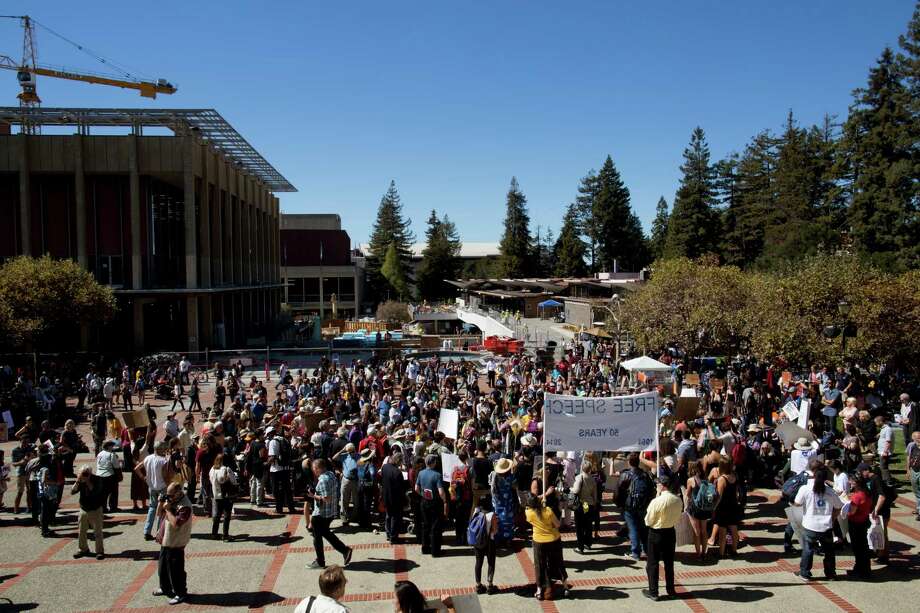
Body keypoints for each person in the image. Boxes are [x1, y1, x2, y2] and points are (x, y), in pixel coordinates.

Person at [793, 465, 842, 581]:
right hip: (826, 526)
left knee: (808, 549)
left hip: (810, 525)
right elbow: (839, 507)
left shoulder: (805, 489)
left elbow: (797, 503)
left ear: (813, 476)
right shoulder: (830, 492)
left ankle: (805, 573)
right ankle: (830, 574)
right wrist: (832, 518)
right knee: (829, 551)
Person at [306, 458, 353, 569]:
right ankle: (345, 550)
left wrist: (313, 496)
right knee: (326, 533)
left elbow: (326, 498)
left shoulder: (323, 480)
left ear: (318, 469)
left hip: (321, 514)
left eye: (314, 468)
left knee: (317, 538)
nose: (313, 470)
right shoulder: (331, 475)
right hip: (330, 512)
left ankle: (320, 561)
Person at [643, 475, 683, 601]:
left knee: (653, 563)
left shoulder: (657, 501)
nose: (656, 486)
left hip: (656, 533)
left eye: (657, 484)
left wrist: (656, 497)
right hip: (670, 532)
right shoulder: (678, 500)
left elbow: (648, 521)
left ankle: (653, 591)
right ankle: (671, 590)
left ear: (662, 486)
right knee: (669, 563)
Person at [524, 493, 570, 601]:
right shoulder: (548, 510)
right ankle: (565, 587)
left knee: (540, 564)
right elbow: (558, 524)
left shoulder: (528, 513)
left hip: (539, 541)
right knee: (559, 562)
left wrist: (539, 501)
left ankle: (539, 590)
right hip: (554, 539)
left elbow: (531, 506)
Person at [153, 482, 193, 605]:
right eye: (167, 495)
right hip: (166, 540)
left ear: (178, 493)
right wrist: (161, 503)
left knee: (176, 570)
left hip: (177, 542)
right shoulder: (170, 500)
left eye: (170, 495)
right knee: (163, 567)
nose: (168, 497)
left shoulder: (185, 506)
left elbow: (176, 524)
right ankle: (165, 588)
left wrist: (168, 509)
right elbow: (158, 514)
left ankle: (181, 593)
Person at [617, 453, 653, 561]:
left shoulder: (625, 474)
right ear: (639, 462)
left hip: (630, 506)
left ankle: (635, 553)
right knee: (644, 528)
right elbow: (651, 490)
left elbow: (619, 490)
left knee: (633, 529)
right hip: (643, 505)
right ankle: (646, 550)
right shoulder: (645, 474)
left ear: (629, 463)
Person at [137, 441, 170, 541]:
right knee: (162, 510)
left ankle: (147, 531)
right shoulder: (163, 460)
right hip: (162, 487)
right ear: (160, 449)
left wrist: (143, 478)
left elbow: (137, 468)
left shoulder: (148, 458)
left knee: (152, 508)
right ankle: (159, 532)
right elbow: (166, 475)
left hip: (151, 487)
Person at [71, 464, 106, 559]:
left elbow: (94, 491)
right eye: (83, 473)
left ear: (90, 473)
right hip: (84, 509)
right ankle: (83, 549)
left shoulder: (98, 479)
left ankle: (99, 551)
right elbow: (72, 491)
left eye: (86, 474)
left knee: (97, 532)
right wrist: (78, 481)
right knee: (81, 531)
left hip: (96, 509)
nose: (84, 475)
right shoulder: (80, 480)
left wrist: (87, 481)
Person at [415, 454, 447, 557]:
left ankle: (425, 548)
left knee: (426, 525)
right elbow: (441, 492)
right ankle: (435, 551)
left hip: (424, 501)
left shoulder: (420, 473)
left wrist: (422, 495)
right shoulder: (437, 475)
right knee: (435, 527)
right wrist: (445, 501)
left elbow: (416, 488)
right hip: (435, 503)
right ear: (433, 463)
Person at [683, 460, 715, 561]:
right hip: (704, 508)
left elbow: (688, 494)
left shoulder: (691, 480)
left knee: (696, 531)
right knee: (704, 531)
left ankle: (698, 554)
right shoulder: (705, 479)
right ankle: (704, 553)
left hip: (695, 508)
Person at [710, 457, 741, 559]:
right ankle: (734, 551)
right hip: (733, 505)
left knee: (722, 531)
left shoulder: (722, 479)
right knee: (734, 530)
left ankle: (721, 553)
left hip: (723, 507)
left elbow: (719, 496)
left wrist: (714, 507)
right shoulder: (735, 476)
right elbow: (736, 493)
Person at [470, 495, 499, 595]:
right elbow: (495, 531)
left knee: (478, 563)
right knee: (491, 562)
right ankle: (490, 586)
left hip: (477, 541)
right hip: (489, 542)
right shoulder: (492, 515)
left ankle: (478, 585)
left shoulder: (476, 511)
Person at [847, 475, 873, 580]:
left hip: (855, 524)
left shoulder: (857, 497)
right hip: (864, 521)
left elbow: (851, 512)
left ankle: (861, 571)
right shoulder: (867, 493)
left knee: (857, 548)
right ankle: (863, 569)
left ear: (856, 483)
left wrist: (844, 510)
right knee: (863, 547)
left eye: (851, 481)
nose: (849, 482)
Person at [571, 458, 597, 553]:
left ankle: (580, 546)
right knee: (587, 524)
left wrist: (571, 489)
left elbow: (576, 490)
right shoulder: (592, 479)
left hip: (581, 504)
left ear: (582, 468)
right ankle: (588, 543)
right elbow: (595, 494)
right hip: (588, 504)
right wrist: (594, 503)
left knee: (579, 526)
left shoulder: (580, 477)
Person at [268, 427, 296, 514]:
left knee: (276, 490)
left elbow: (272, 457)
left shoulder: (273, 441)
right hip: (285, 468)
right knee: (287, 489)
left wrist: (266, 463)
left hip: (276, 469)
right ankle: (291, 508)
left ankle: (279, 508)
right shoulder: (285, 440)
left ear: (270, 434)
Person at [381, 450, 407, 544]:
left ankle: (388, 534)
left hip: (386, 496)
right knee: (395, 518)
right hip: (395, 498)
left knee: (388, 516)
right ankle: (393, 537)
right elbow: (401, 488)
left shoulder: (385, 467)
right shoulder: (397, 473)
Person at [209, 452, 237, 540]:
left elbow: (211, 480)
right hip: (226, 495)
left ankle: (214, 533)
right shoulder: (226, 469)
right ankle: (225, 535)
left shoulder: (212, 469)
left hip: (216, 494)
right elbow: (233, 481)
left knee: (217, 515)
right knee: (226, 515)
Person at [95, 439, 122, 513]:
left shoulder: (99, 454)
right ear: (109, 446)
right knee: (113, 491)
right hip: (109, 475)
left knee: (103, 492)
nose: (113, 447)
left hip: (99, 475)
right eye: (112, 446)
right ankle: (113, 507)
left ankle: (103, 507)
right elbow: (116, 466)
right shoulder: (111, 455)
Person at [337, 443, 359, 525]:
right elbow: (334, 457)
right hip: (346, 480)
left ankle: (354, 517)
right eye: (349, 452)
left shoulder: (358, 456)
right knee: (344, 500)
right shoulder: (344, 456)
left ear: (354, 450)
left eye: (352, 451)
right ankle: (344, 518)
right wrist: (343, 450)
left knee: (356, 500)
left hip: (355, 481)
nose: (351, 453)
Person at [907, 430, 920, 520]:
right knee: (916, 491)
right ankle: (919, 508)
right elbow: (908, 457)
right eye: (917, 437)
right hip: (913, 470)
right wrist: (907, 469)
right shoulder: (911, 445)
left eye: (919, 437)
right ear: (913, 438)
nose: (918, 438)